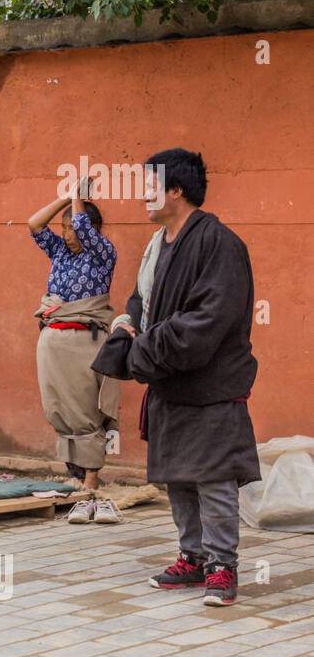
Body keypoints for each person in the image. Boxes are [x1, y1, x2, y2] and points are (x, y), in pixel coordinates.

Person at [93, 149, 260, 607]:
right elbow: (138, 298)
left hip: (211, 386)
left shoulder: (220, 244)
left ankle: (223, 567)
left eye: (150, 186)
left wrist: (141, 350)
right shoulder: (157, 244)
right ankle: (193, 556)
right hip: (168, 382)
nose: (143, 195)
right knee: (179, 478)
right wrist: (127, 324)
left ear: (177, 190)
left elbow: (207, 321)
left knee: (214, 478)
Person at [27, 180, 121, 522]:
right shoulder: (60, 252)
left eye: (72, 227)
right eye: (64, 228)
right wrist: (66, 198)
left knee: (85, 408)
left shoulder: (102, 254)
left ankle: (92, 477)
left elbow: (82, 225)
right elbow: (34, 224)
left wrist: (80, 201)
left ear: (94, 230)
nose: (67, 234)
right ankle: (75, 473)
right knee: (58, 407)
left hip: (85, 339)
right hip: (54, 338)